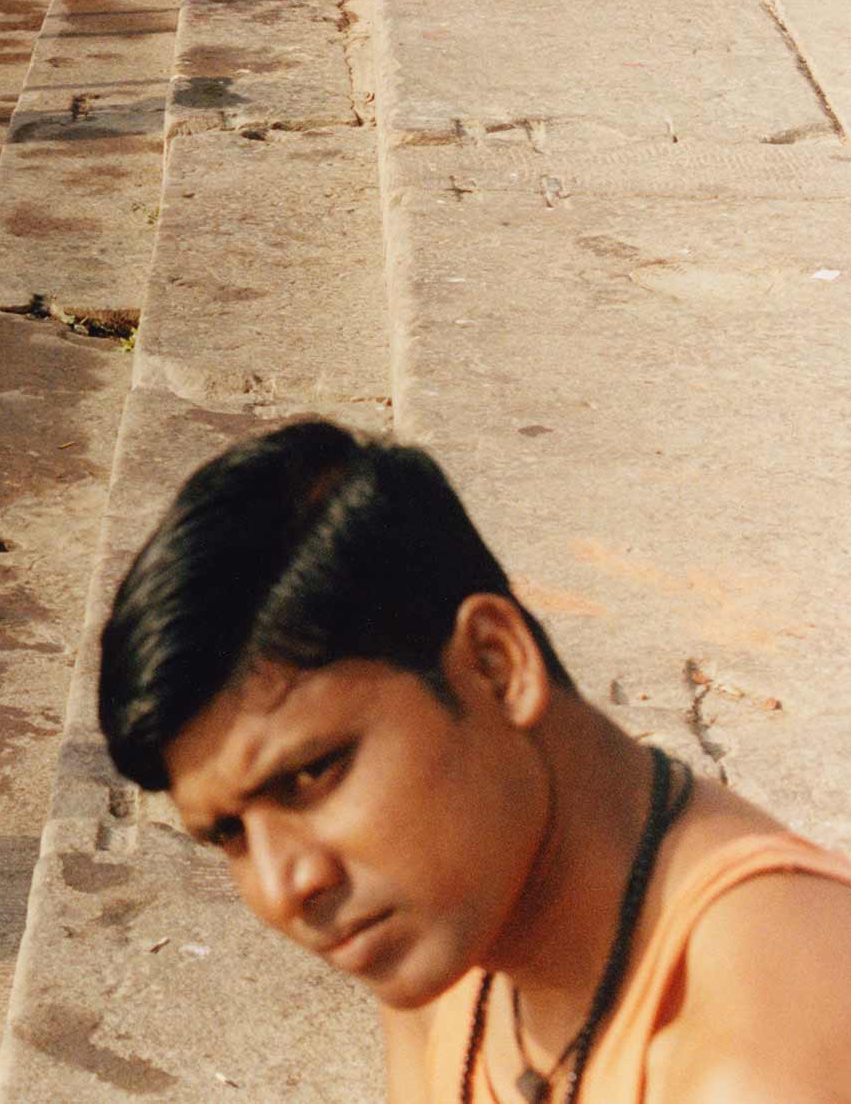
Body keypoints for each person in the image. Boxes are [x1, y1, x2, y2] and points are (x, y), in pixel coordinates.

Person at [96, 420, 851, 1102]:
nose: (284, 884)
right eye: (228, 831)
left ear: (495, 666)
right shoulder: (444, 951)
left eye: (310, 774)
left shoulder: (768, 1052)